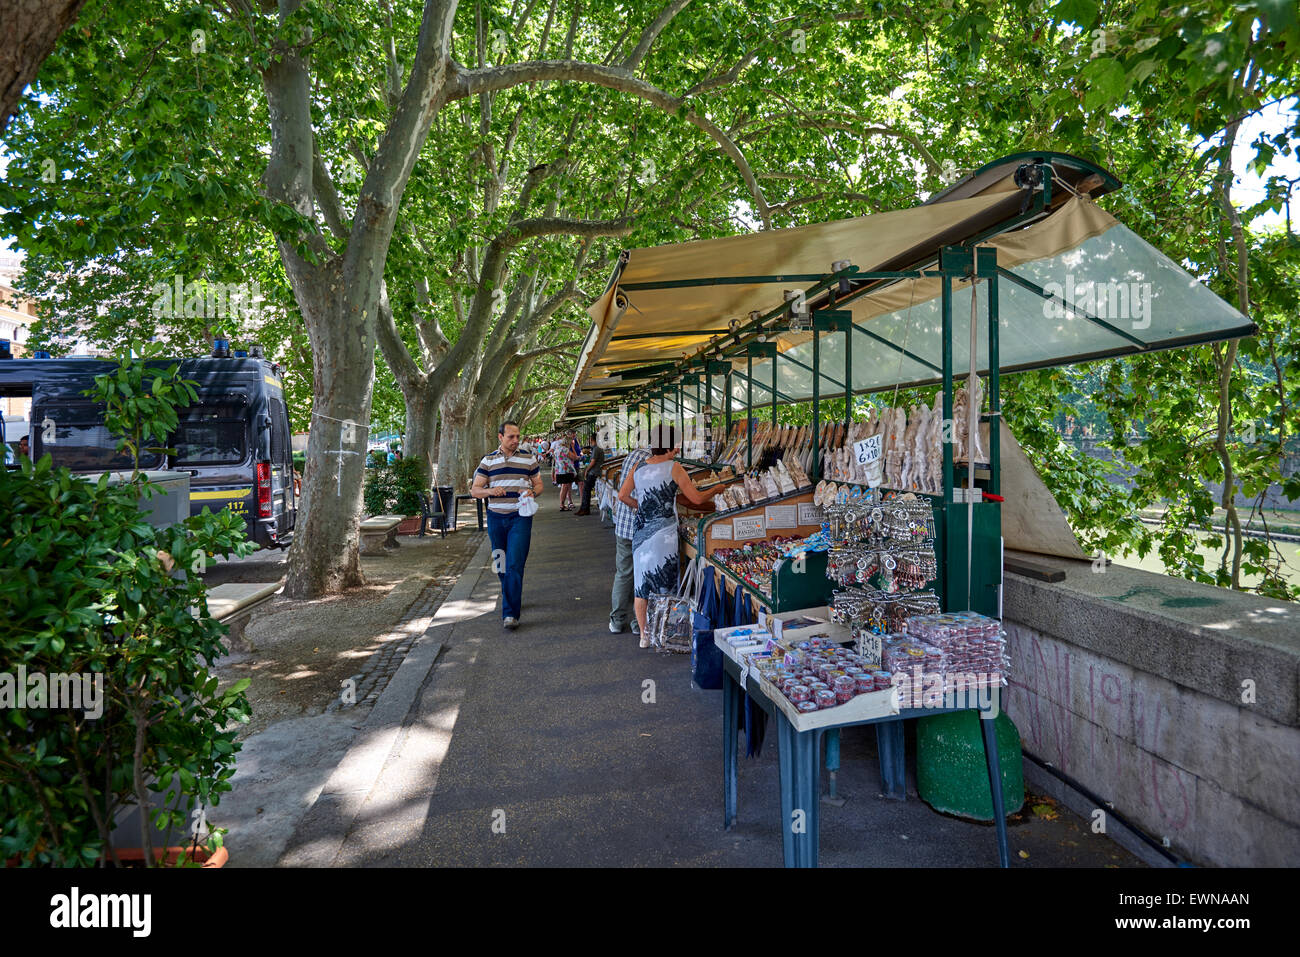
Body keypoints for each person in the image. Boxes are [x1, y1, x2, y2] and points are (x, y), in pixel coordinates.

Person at [618, 424, 722, 647]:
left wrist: (643, 508)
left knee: (641, 585)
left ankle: (645, 636)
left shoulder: (638, 466)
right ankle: (664, 633)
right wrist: (716, 489)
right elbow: (695, 499)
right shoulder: (674, 468)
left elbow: (622, 496)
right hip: (665, 535)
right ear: (670, 444)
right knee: (665, 582)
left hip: (641, 535)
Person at [471, 421, 542, 631]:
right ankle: (512, 594)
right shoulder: (488, 461)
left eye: (518, 436)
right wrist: (491, 492)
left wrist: (533, 492)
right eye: (511, 437)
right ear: (500, 437)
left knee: (514, 564)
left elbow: (539, 484)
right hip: (495, 518)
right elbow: (475, 490)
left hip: (520, 517)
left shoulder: (529, 459)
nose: (516, 440)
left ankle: (510, 613)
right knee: (501, 563)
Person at [609, 440, 650, 635]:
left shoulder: (634, 454)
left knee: (624, 573)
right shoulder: (650, 460)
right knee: (641, 574)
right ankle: (637, 622)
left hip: (623, 524)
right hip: (640, 525)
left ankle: (617, 620)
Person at [575, 432, 605, 515]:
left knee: (586, 490)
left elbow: (593, 462)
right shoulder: (596, 448)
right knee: (586, 490)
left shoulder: (597, 449)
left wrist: (587, 470)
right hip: (594, 472)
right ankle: (584, 508)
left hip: (594, 472)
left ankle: (585, 508)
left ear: (592, 439)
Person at [555, 432, 577, 511]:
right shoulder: (565, 449)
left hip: (559, 471)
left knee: (563, 487)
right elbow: (574, 457)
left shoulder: (557, 449)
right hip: (566, 470)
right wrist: (573, 447)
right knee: (565, 487)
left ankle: (562, 504)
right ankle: (562, 504)